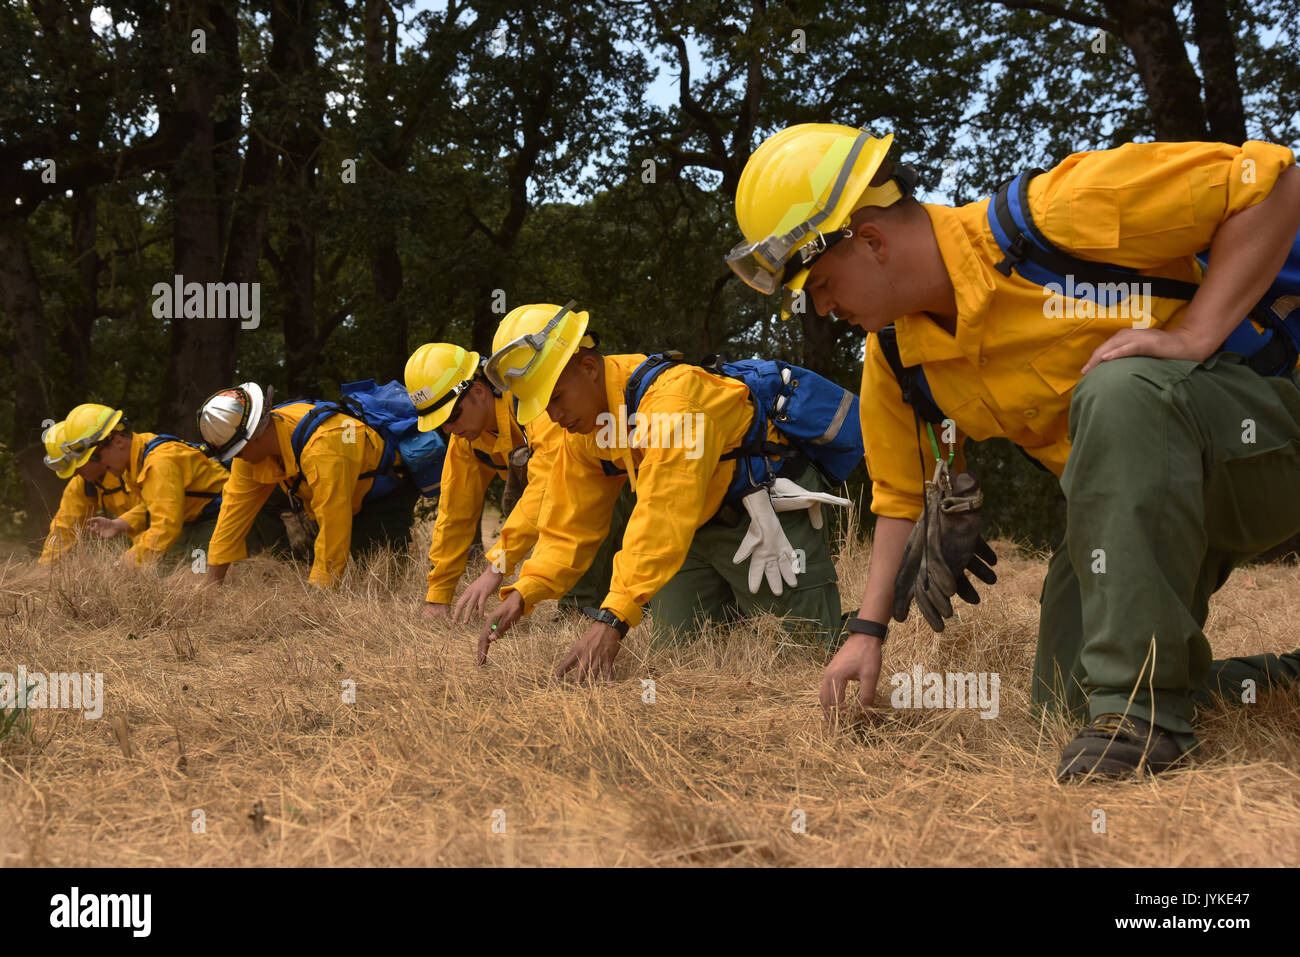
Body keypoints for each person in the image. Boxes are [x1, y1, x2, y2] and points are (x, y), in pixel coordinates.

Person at [726, 122, 1300, 780]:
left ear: (872, 240)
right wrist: (867, 633)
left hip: (1267, 449)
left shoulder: (1057, 213)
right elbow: (900, 499)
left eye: (821, 283)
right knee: (1067, 700)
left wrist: (1196, 334)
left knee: (1116, 390)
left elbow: (1275, 183)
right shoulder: (896, 358)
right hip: (1142, 512)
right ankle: (1270, 682)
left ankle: (1143, 724)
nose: (822, 308)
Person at [478, 301, 849, 680]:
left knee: (809, 652)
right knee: (679, 659)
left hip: (764, 512)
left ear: (588, 368)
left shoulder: (674, 403)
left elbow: (662, 511)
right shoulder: (584, 432)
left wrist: (613, 618)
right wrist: (526, 591)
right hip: (689, 535)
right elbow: (570, 524)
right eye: (541, 407)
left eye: (555, 398)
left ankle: (843, 625)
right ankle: (739, 605)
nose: (553, 417)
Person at [403, 342, 632, 623]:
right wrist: (438, 596)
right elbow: (455, 515)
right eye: (439, 424)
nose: (448, 429)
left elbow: (548, 489)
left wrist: (496, 568)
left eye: (451, 416)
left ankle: (582, 609)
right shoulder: (464, 440)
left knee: (582, 508)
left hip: (614, 482)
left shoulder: (535, 405)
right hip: (563, 490)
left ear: (477, 390)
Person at [197, 383, 417, 588]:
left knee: (380, 581)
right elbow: (232, 513)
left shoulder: (322, 448)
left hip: (382, 494)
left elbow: (333, 526)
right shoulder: (250, 454)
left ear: (255, 434)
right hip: (329, 490)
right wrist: (211, 584)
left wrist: (317, 597)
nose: (237, 458)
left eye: (238, 452)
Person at [38, 403, 227, 567]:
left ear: (118, 441)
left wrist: (124, 564)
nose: (99, 464)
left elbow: (164, 527)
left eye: (94, 457)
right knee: (173, 575)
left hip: (220, 515)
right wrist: (120, 524)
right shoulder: (133, 461)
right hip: (194, 520)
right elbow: (156, 504)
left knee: (199, 579)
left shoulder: (157, 463)